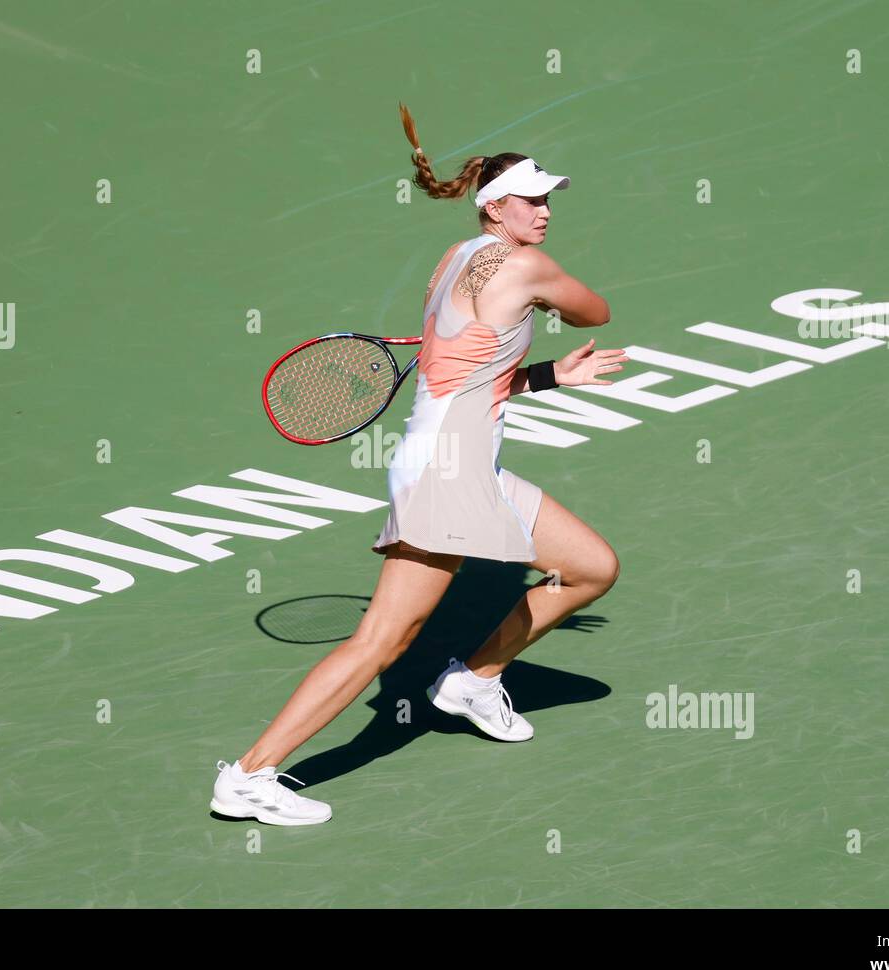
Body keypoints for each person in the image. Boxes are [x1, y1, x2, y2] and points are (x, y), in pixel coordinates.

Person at [211, 103, 628, 825]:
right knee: (383, 639)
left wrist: (554, 376)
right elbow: (597, 310)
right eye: (532, 199)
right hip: (447, 475)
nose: (545, 210)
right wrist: (552, 323)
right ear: (494, 206)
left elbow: (478, 373)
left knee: (592, 566)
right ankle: (249, 774)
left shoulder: (453, 261)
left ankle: (471, 679)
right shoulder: (526, 265)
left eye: (549, 198)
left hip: (459, 465)